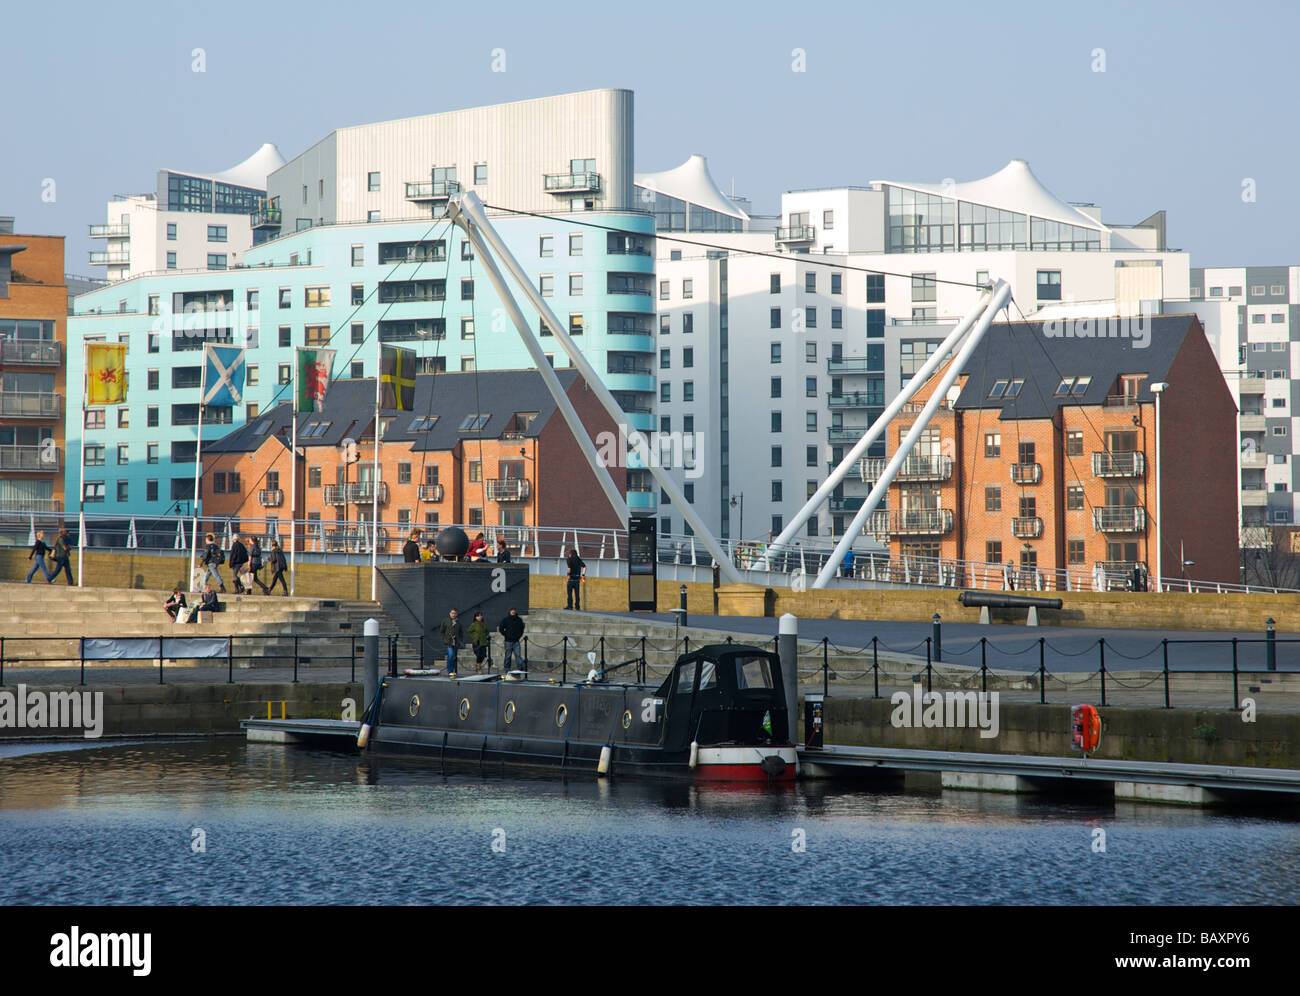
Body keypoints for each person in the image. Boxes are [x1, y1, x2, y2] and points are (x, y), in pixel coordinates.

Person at [498, 607, 525, 672]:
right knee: (508, 655)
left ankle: (520, 666)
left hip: (516, 641)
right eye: (512, 611)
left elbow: (522, 629)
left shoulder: (519, 620)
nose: (513, 612)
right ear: (510, 612)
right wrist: (506, 634)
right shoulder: (506, 619)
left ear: (515, 611)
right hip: (508, 641)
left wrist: (519, 636)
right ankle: (507, 668)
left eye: (514, 611)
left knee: (518, 655)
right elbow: (501, 628)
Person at [439, 608, 463, 677]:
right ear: (450, 613)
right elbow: (441, 632)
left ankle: (453, 670)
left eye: (455, 613)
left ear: (457, 614)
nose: (453, 614)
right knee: (451, 655)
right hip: (448, 642)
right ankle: (450, 670)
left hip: (455, 642)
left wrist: (460, 640)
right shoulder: (445, 621)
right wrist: (444, 640)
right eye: (452, 613)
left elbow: (461, 633)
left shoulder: (458, 623)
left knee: (454, 657)